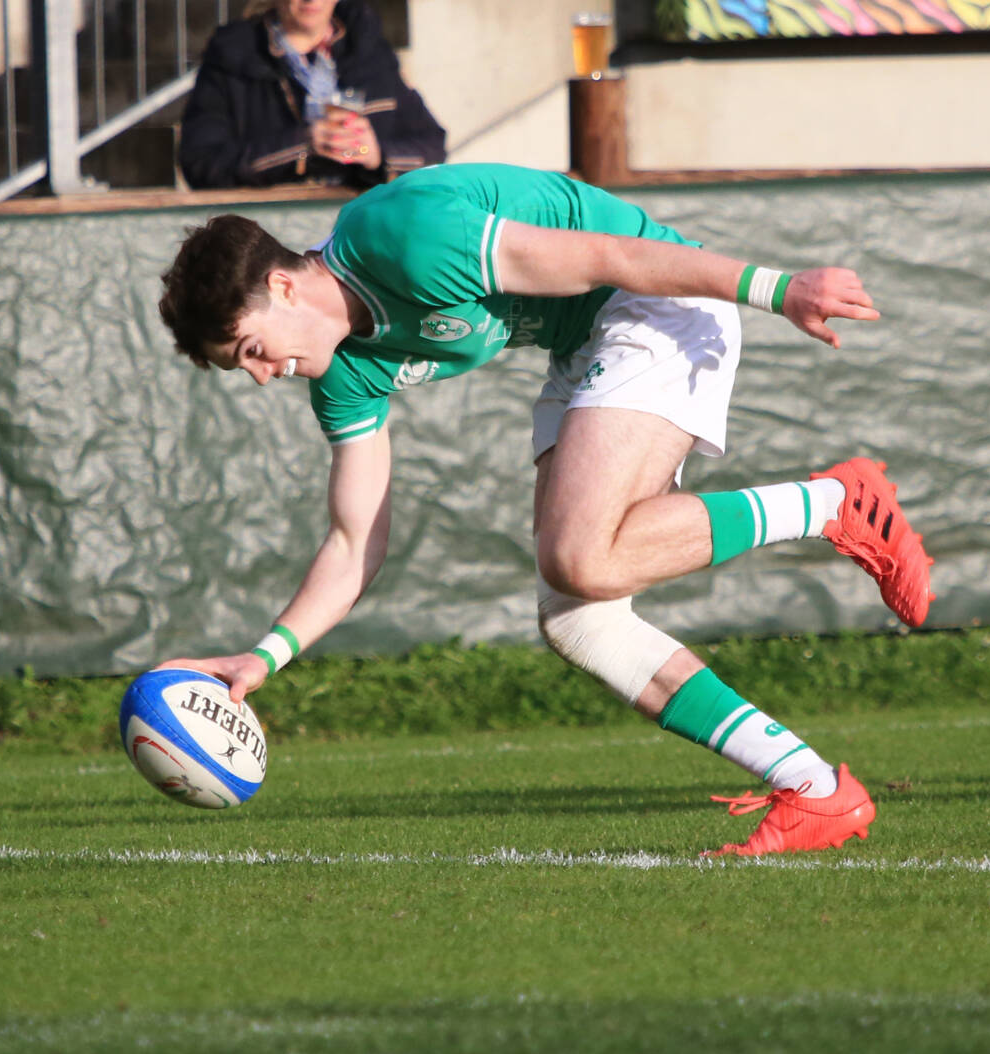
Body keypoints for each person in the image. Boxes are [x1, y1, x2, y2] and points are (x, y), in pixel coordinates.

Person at [156, 163, 934, 856]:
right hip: (588, 344)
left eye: (252, 349)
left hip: (655, 302)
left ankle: (836, 501)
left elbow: (616, 256)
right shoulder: (346, 372)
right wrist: (264, 657)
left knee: (579, 557)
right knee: (579, 617)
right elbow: (357, 536)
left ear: (284, 288)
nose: (262, 377)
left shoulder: (401, 235)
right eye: (242, 368)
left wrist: (778, 287)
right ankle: (813, 786)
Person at [178, 0, 446, 191]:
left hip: (364, 229)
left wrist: (376, 155)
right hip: (272, 235)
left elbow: (433, 148)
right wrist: (301, 145)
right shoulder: (233, 58)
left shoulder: (370, 51)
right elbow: (201, 164)